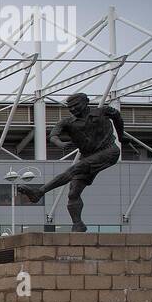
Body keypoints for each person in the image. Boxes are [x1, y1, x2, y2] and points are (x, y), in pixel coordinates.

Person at [15, 93, 127, 232]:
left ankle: (39, 192)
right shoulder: (67, 123)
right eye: (70, 107)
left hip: (109, 151)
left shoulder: (102, 112)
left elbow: (117, 117)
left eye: (76, 105)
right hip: (88, 157)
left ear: (86, 102)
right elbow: (53, 135)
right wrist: (59, 143)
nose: (73, 109)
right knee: (73, 193)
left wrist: (121, 136)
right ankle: (78, 224)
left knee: (74, 170)